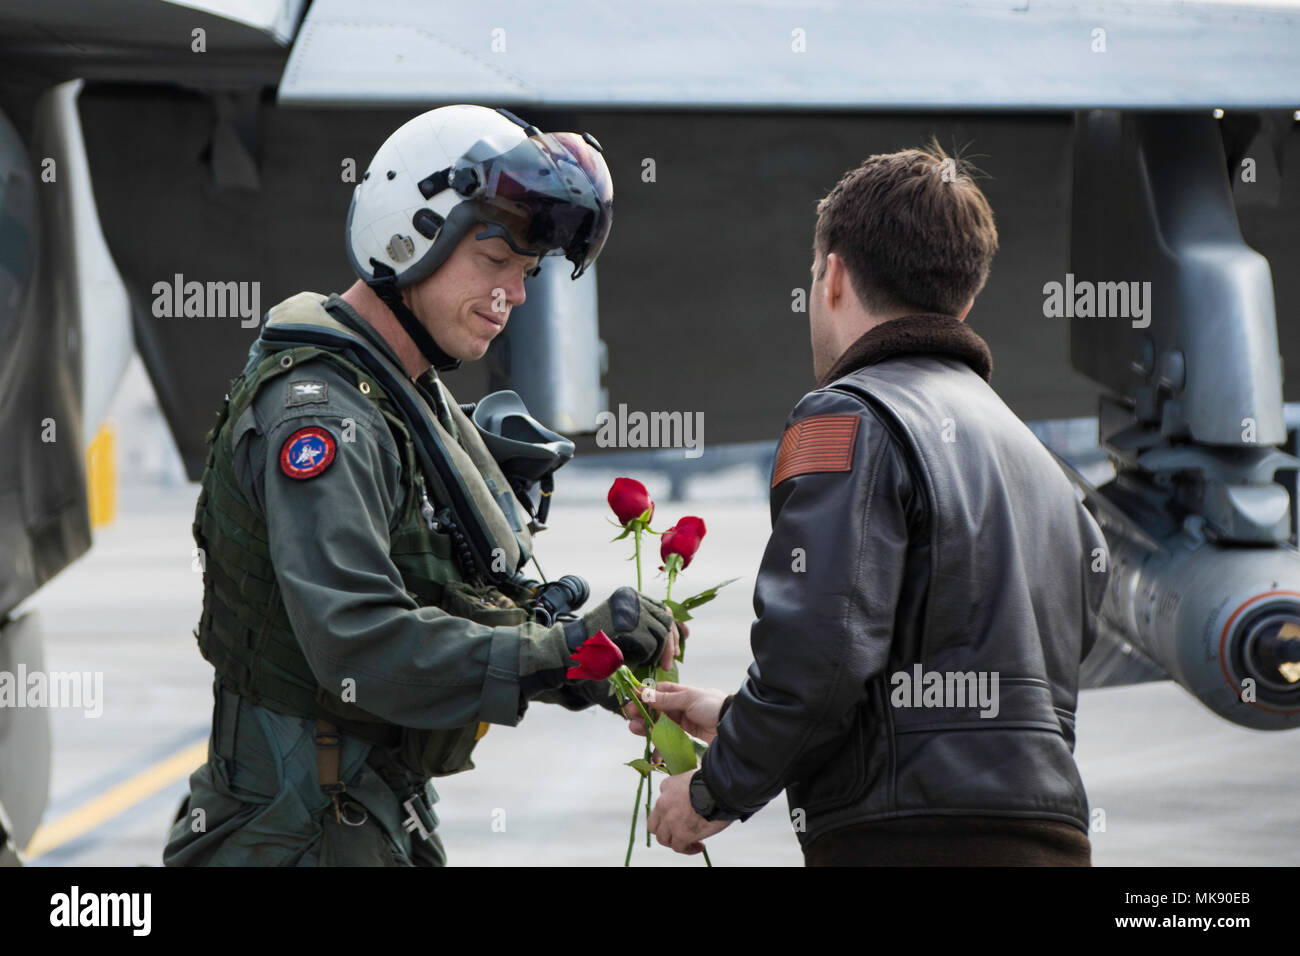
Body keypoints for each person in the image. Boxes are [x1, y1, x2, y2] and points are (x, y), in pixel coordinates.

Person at [164, 104, 680, 867]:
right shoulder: (327, 423)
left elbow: (438, 598)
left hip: (366, 805)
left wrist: (589, 663)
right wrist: (561, 655)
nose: (517, 294)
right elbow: (362, 647)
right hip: (300, 829)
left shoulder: (402, 392)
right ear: (408, 236)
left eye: (528, 272)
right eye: (495, 259)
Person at [627, 144, 1110, 866]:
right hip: (1048, 840)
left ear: (835, 277)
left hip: (906, 844)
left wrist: (713, 791)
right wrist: (735, 719)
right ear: (966, 298)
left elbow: (821, 655)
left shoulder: (847, 418)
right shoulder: (1044, 467)